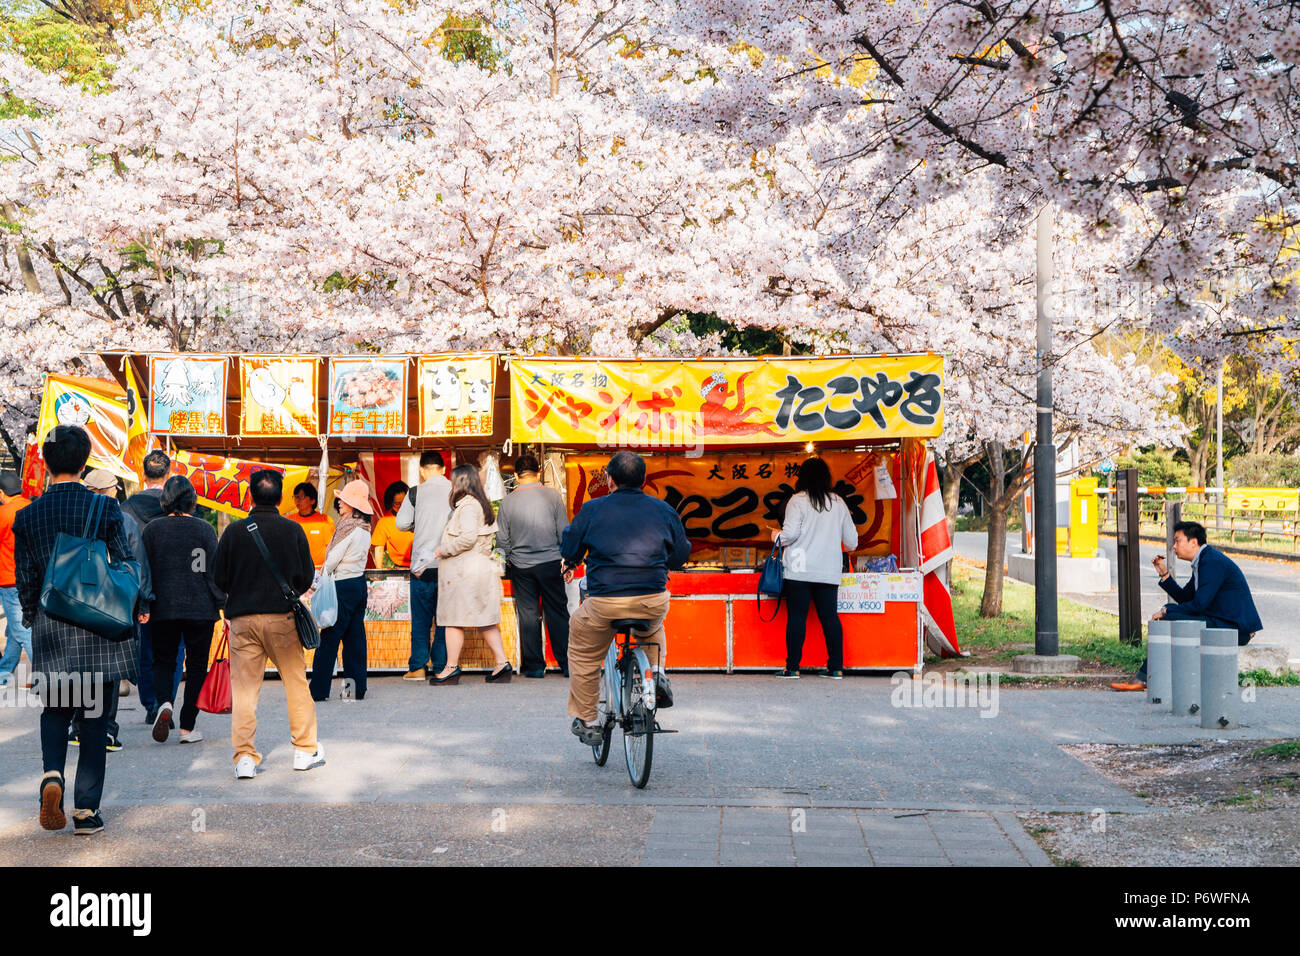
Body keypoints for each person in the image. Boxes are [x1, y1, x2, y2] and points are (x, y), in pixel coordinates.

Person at [13, 425, 144, 835]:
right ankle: (86, 812)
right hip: (98, 626)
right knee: (92, 719)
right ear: (85, 462)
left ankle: (52, 774)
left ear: (47, 464)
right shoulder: (104, 509)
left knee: (55, 711)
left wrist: (35, 618)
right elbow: (124, 563)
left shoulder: (27, 515)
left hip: (52, 626)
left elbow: (26, 579)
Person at [561, 451, 690, 746]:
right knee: (653, 628)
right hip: (652, 599)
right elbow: (681, 555)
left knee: (583, 653)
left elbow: (570, 549)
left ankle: (589, 720)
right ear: (644, 481)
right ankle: (656, 674)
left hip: (605, 601)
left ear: (609, 479)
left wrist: (572, 559)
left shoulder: (593, 509)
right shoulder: (663, 510)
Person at [214, 469, 322, 778]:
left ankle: (245, 758)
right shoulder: (293, 530)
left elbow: (219, 577)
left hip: (243, 621)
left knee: (245, 691)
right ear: (281, 496)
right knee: (296, 684)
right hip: (281, 619)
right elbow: (305, 576)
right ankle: (303, 750)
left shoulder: (234, 532)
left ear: (251, 495)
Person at [1110, 520, 1263, 692]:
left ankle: (1144, 677)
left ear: (1193, 542)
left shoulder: (1211, 562)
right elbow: (1185, 599)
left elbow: (1199, 605)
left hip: (1236, 629)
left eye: (1177, 540)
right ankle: (1148, 676)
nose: (1174, 546)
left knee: (1170, 617)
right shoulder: (1204, 560)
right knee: (1171, 614)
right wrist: (1164, 574)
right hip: (1223, 622)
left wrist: (1167, 610)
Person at [72, 470, 154, 752]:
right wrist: (143, 603)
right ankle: (106, 729)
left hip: (78, 599)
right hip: (115, 602)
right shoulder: (124, 520)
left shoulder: (73, 516)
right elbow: (136, 564)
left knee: (81, 664)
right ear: (109, 491)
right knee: (110, 666)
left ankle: (77, 725)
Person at [141, 475, 225, 741]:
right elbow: (214, 573)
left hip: (163, 608)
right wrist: (224, 605)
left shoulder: (153, 530)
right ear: (192, 500)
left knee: (163, 660)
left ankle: (164, 702)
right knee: (197, 665)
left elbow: (144, 572)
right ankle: (188, 727)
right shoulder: (204, 530)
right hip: (200, 608)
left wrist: (144, 604)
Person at [770, 457, 857, 679]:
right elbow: (852, 543)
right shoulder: (838, 503)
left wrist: (774, 536)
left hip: (799, 570)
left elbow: (789, 535)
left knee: (797, 618)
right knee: (830, 618)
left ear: (802, 477)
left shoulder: (797, 501)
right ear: (827, 477)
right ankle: (836, 667)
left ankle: (792, 668)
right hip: (828, 570)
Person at [428, 464, 511, 684]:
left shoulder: (466, 507)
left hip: (464, 574)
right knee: (485, 619)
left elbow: (467, 538)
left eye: (454, 480)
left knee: (453, 619)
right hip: (478, 570)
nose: (451, 485)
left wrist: (442, 549)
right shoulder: (479, 505)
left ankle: (451, 668)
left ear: (461, 482)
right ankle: (502, 664)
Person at [497, 453, 570, 678]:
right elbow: (563, 531)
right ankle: (567, 663)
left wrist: (510, 557)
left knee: (528, 614)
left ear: (517, 476)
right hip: (551, 562)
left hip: (521, 566)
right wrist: (566, 560)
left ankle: (535, 667)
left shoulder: (507, 502)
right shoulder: (553, 496)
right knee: (557, 612)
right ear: (539, 472)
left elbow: (502, 540)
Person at [122, 449, 180, 726]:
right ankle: (167, 700)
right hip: (175, 587)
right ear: (168, 475)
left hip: (139, 589)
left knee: (145, 648)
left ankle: (151, 703)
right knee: (174, 649)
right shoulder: (180, 504)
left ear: (143, 475)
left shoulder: (128, 507)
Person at [310, 479, 373, 702]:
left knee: (329, 638)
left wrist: (320, 575)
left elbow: (332, 560)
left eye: (343, 500)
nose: (339, 503)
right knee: (355, 639)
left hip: (341, 585)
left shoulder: (347, 527)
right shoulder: (365, 527)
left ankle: (318, 690)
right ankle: (356, 689)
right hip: (358, 584)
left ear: (353, 505)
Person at [395, 451, 452, 681]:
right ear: (444, 469)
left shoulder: (415, 492)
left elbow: (401, 523)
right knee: (444, 620)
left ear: (421, 470)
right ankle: (441, 666)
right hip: (448, 564)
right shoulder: (455, 490)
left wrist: (419, 526)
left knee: (420, 619)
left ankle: (418, 667)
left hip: (421, 566)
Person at [0, 470, 32, 687]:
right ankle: (3, 673)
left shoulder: (4, 514)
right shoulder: (31, 507)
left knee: (21, 631)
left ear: (2, 492)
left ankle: (45, 674)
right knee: (14, 631)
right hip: (31, 577)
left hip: (9, 578)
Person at [289, 481, 335, 570]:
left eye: (301, 497)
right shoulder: (289, 520)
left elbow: (332, 548)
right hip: (296, 570)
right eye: (296, 497)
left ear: (312, 500)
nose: (297, 500)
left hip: (318, 571)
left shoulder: (325, 520)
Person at [371, 480, 413, 569]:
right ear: (390, 503)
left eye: (404, 503)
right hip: (399, 567)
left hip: (421, 565)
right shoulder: (384, 521)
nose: (402, 507)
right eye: (397, 504)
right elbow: (379, 547)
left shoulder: (418, 515)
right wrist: (379, 571)